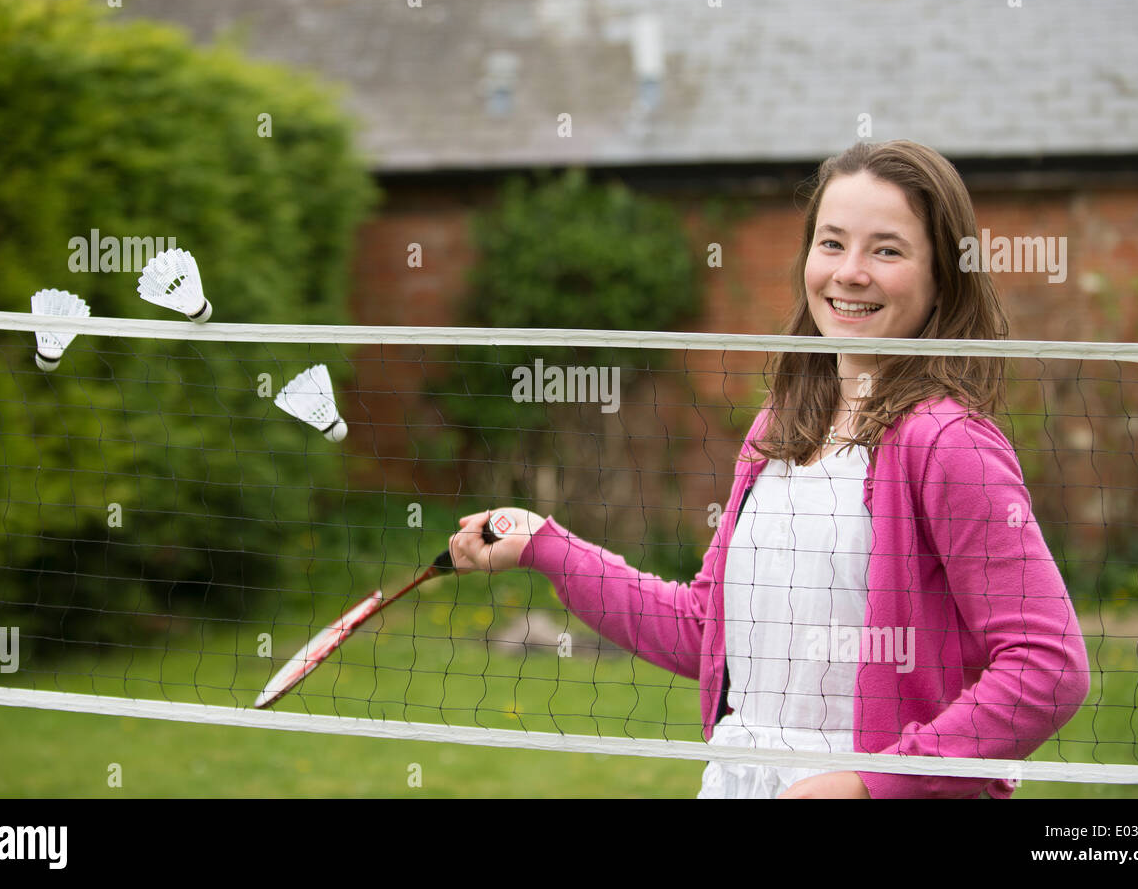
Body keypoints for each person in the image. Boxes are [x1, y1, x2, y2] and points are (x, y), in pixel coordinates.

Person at [446, 140, 1091, 799]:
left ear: (943, 277)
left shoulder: (949, 443)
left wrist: (871, 783)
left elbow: (1048, 667)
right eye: (832, 243)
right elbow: (711, 629)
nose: (850, 273)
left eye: (887, 250)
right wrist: (548, 549)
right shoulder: (778, 428)